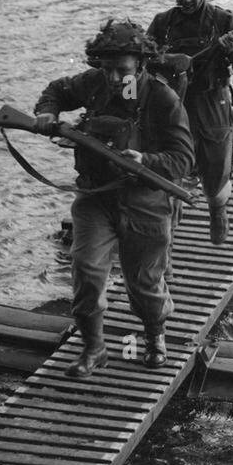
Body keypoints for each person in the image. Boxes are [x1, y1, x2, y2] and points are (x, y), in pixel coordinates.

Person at [32, 19, 194, 377]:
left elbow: (183, 159)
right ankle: (94, 348)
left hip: (146, 201)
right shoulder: (93, 84)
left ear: (141, 64)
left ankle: (154, 334)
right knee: (86, 270)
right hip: (95, 198)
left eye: (123, 70)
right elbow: (57, 90)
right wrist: (47, 112)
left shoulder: (162, 98)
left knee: (144, 282)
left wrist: (145, 160)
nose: (114, 78)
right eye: (106, 69)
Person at [147, 0, 233, 247]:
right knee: (170, 165)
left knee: (216, 170)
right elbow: (142, 61)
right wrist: (170, 59)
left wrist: (232, 51)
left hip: (212, 104)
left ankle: (217, 210)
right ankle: (167, 236)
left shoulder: (224, 21)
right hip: (173, 103)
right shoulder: (162, 23)